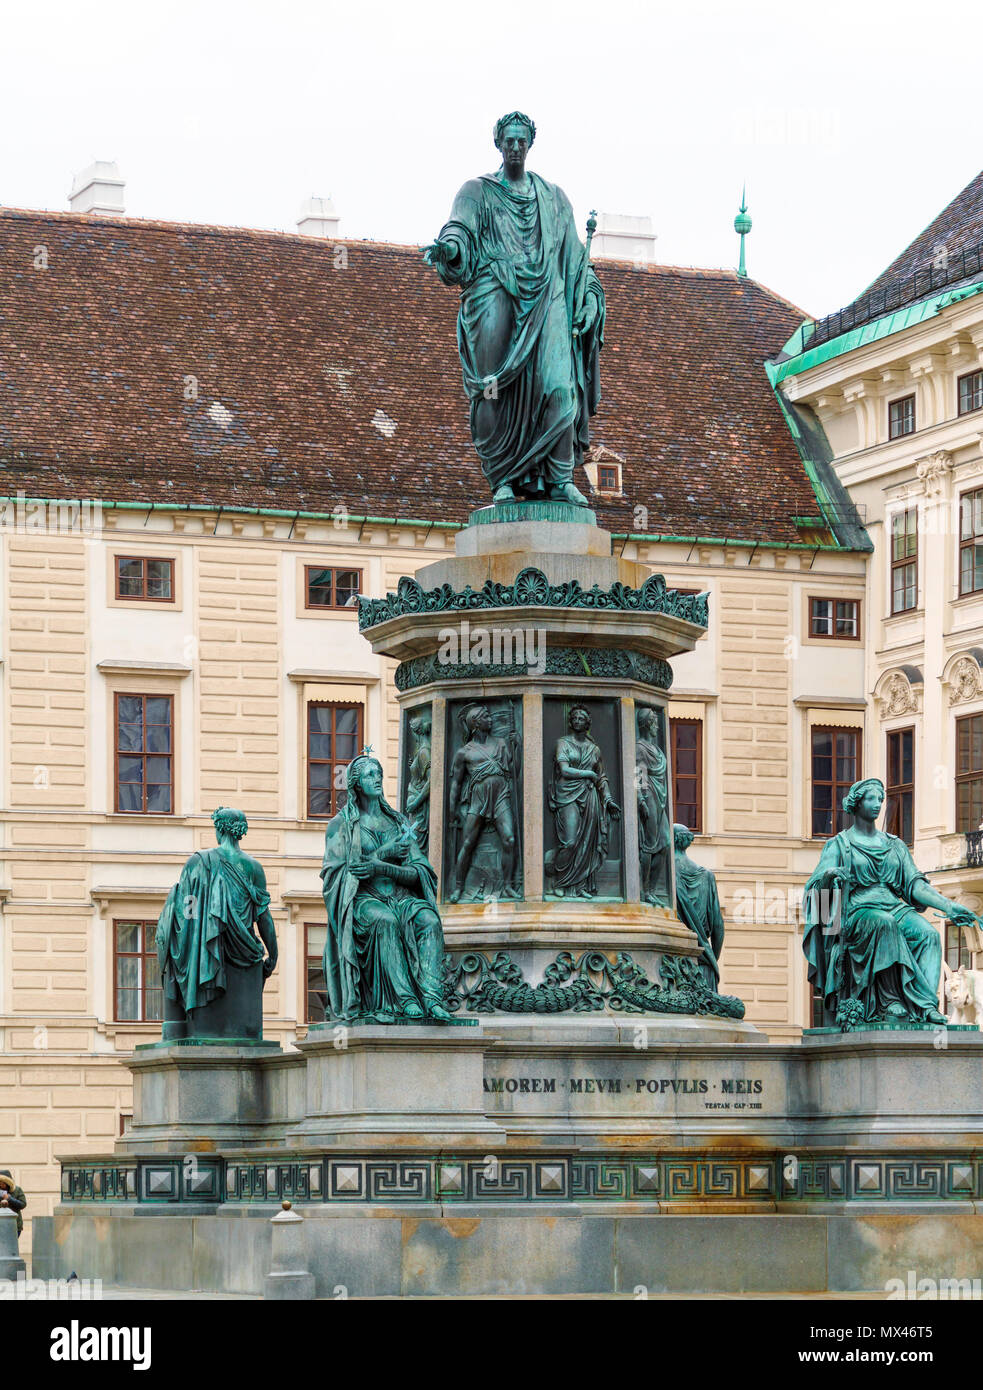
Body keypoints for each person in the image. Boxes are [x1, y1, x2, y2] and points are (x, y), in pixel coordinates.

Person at [424, 111, 604, 507]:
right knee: (492, 390)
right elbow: (459, 231)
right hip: (496, 293)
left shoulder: (555, 199)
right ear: (498, 143)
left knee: (559, 385)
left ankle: (559, 477)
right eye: (510, 140)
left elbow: (576, 259)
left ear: (531, 143)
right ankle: (502, 477)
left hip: (548, 299)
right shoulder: (476, 191)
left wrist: (589, 296)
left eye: (523, 140)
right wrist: (448, 249)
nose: (516, 147)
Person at [803, 777, 979, 1026]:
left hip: (894, 906)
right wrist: (830, 876)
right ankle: (889, 1002)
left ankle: (925, 1006)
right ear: (856, 803)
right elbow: (816, 888)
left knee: (928, 934)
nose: (877, 804)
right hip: (859, 910)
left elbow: (915, 885)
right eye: (870, 799)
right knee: (884, 924)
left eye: (880, 799)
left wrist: (948, 906)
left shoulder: (894, 845)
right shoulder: (840, 845)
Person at [320, 755, 453, 1022]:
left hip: (401, 896)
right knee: (384, 920)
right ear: (356, 784)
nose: (377, 779)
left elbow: (420, 872)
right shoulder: (342, 825)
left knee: (428, 919)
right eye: (370, 775)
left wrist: (382, 867)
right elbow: (341, 873)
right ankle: (402, 1000)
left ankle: (431, 997)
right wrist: (385, 853)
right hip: (364, 899)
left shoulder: (399, 823)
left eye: (379, 773)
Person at [156, 807, 277, 1041]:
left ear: (219, 829)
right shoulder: (254, 868)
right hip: (246, 955)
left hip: (210, 954)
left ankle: (184, 1024)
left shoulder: (198, 862)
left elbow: (188, 909)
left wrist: (185, 931)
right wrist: (273, 953)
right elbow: (264, 918)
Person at [447, 705, 520, 903]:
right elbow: (456, 783)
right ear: (476, 723)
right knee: (468, 843)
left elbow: (514, 771)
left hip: (501, 794)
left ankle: (507, 886)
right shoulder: (464, 752)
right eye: (486, 716)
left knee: (510, 840)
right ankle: (459, 888)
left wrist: (517, 747)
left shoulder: (502, 743)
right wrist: (452, 810)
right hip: (478, 798)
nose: (491, 718)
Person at [546, 706, 620, 898]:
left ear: (588, 723)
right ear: (570, 722)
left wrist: (609, 800)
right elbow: (564, 770)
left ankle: (578, 886)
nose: (578, 721)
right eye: (575, 718)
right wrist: (588, 774)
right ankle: (559, 879)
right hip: (567, 795)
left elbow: (602, 777)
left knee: (586, 843)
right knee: (570, 842)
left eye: (582, 718)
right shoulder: (562, 743)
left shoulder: (594, 750)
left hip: (589, 797)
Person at [673, 824, 725, 989]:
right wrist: (710, 958)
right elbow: (718, 927)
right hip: (702, 962)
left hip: (672, 964)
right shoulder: (707, 876)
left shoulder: (664, 873)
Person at [636, 707, 672, 906]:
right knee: (649, 845)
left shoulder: (656, 749)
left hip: (660, 796)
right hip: (648, 794)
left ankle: (651, 889)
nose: (657, 725)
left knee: (665, 843)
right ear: (648, 724)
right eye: (655, 722)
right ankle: (644, 890)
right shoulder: (640, 747)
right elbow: (638, 773)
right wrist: (641, 799)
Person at [0, 1171, 26, 1239]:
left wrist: (10, 1199)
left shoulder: (17, 1190)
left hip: (15, 1224)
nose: (1, 1185)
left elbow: (23, 1204)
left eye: (3, 1183)